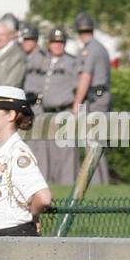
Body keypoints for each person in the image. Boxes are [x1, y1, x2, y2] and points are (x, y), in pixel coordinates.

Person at [0, 86, 52, 237]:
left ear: (11, 115)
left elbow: (43, 198)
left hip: (16, 236)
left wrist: (32, 214)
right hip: (0, 238)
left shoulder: (17, 154)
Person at [29, 26, 80, 185]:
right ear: (49, 44)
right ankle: (48, 185)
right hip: (45, 113)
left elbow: (79, 88)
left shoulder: (72, 62)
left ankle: (67, 188)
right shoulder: (44, 62)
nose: (57, 45)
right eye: (54, 42)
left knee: (66, 155)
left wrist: (76, 109)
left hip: (64, 111)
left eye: (60, 42)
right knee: (46, 154)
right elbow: (37, 88)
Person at [71, 12, 112, 183]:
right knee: (94, 141)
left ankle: (96, 180)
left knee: (92, 142)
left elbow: (86, 77)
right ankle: (97, 180)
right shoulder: (99, 47)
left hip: (95, 100)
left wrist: (77, 103)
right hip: (100, 98)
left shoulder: (90, 50)